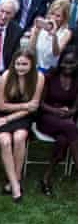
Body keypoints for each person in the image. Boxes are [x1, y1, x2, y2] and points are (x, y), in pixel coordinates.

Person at [0, 48, 43, 201]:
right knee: (5, 141)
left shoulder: (39, 77)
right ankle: (15, 184)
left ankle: (14, 181)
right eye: (18, 64)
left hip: (23, 116)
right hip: (1, 114)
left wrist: (10, 118)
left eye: (24, 64)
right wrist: (26, 105)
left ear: (32, 64)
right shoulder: (7, 75)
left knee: (19, 138)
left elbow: (34, 108)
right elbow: (1, 106)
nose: (20, 67)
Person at [36, 46, 78, 195]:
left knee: (63, 140)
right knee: (71, 127)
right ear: (60, 62)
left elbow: (75, 108)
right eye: (65, 62)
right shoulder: (50, 76)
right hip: (46, 118)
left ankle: (46, 179)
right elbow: (40, 104)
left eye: (72, 63)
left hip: (65, 120)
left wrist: (69, 112)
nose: (68, 66)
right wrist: (57, 111)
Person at [28, 0, 72, 72]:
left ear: (64, 18)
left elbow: (56, 53)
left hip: (50, 71)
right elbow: (30, 49)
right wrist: (35, 33)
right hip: (35, 67)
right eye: (52, 14)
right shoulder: (42, 25)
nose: (53, 18)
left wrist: (54, 36)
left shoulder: (66, 32)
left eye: (58, 16)